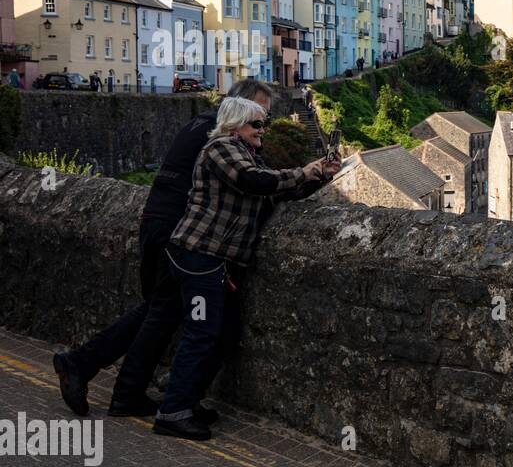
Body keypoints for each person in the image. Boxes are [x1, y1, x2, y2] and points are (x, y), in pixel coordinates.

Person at [54, 80, 277, 418]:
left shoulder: (203, 124)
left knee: (160, 309)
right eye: (260, 115)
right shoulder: (220, 135)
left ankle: (101, 376)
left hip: (164, 223)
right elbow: (252, 180)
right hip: (175, 229)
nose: (263, 124)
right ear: (240, 106)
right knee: (163, 313)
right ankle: (111, 381)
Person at [154, 96, 338, 440]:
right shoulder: (220, 148)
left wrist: (319, 177)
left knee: (220, 335)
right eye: (256, 124)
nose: (261, 131)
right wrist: (303, 170)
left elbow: (275, 193)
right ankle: (172, 411)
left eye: (263, 125)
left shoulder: (248, 154)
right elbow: (252, 181)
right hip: (200, 254)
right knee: (201, 333)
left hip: (218, 260)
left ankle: (188, 402)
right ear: (235, 123)